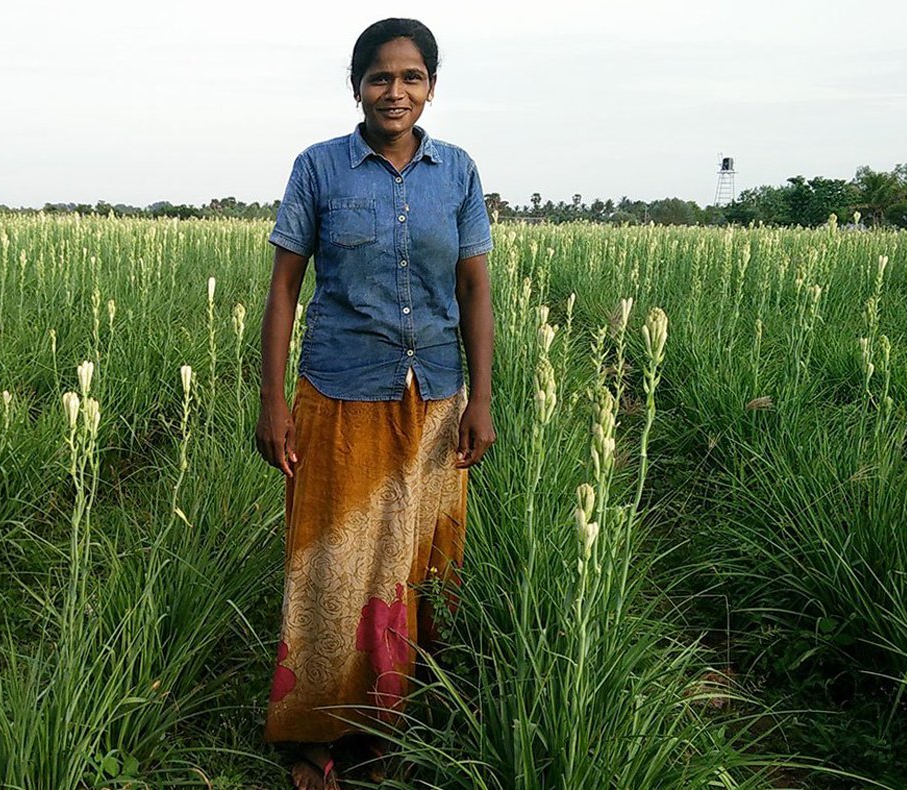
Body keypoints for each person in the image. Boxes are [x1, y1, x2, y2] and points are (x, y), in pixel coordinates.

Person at [254, 17, 496, 789]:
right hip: (337, 389)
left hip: (433, 399)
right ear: (356, 85)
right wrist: (273, 398)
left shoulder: (456, 173)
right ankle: (316, 732)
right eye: (380, 77)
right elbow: (285, 289)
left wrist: (480, 398)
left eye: (412, 77)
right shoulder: (320, 168)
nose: (396, 92)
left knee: (413, 560)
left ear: (431, 86)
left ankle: (393, 721)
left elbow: (474, 290)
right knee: (329, 564)